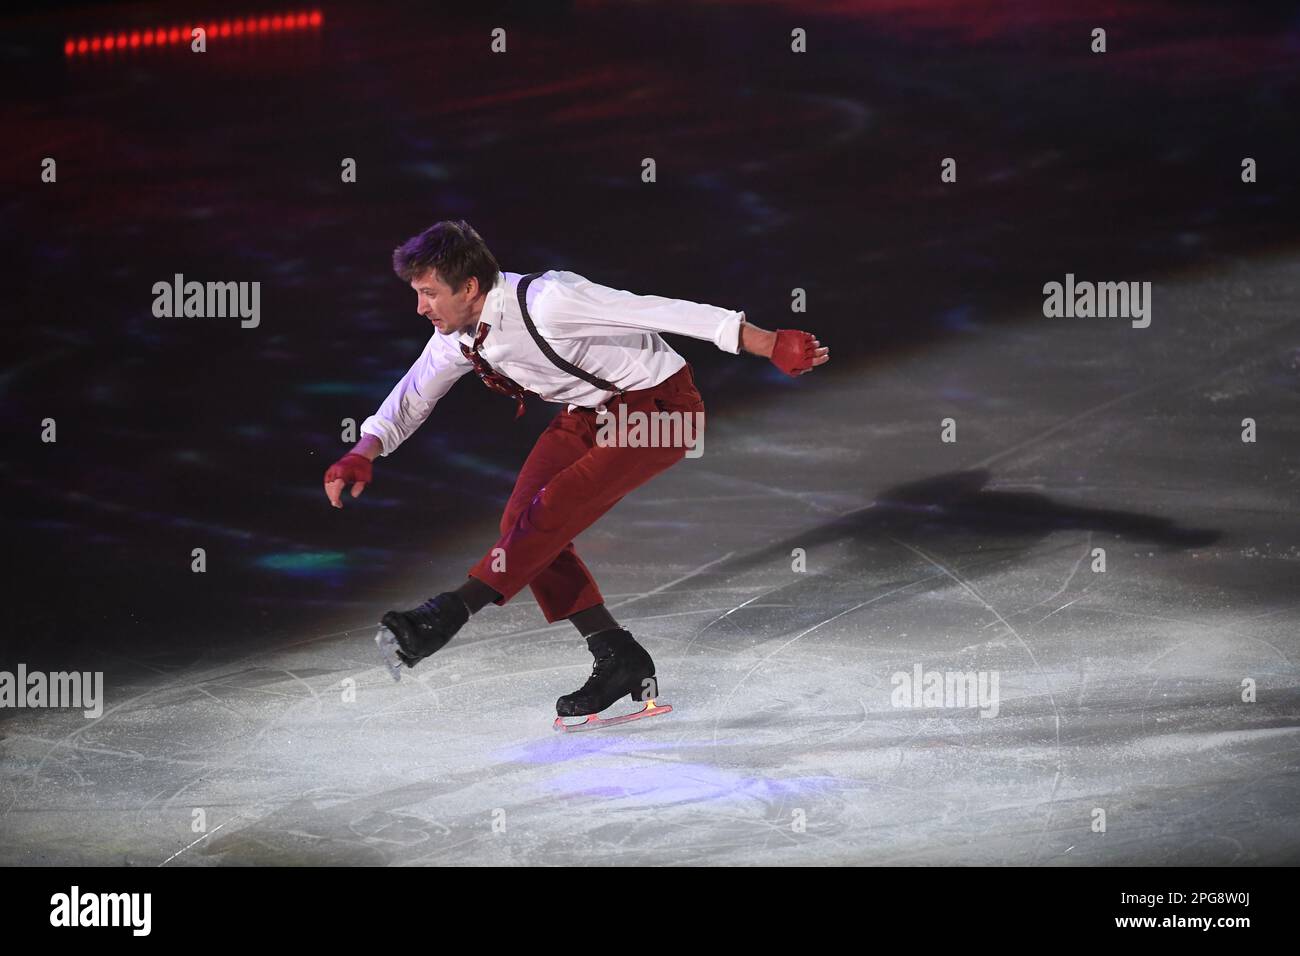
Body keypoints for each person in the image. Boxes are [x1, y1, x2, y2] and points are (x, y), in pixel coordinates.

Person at [324, 220, 828, 725]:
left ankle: (451, 610)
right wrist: (365, 450)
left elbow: (655, 309)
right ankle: (616, 654)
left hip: (661, 411)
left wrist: (765, 342)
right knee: (522, 521)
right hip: (586, 415)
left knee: (551, 511)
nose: (421, 307)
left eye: (429, 293)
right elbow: (413, 394)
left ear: (470, 287)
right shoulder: (457, 336)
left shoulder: (548, 300)